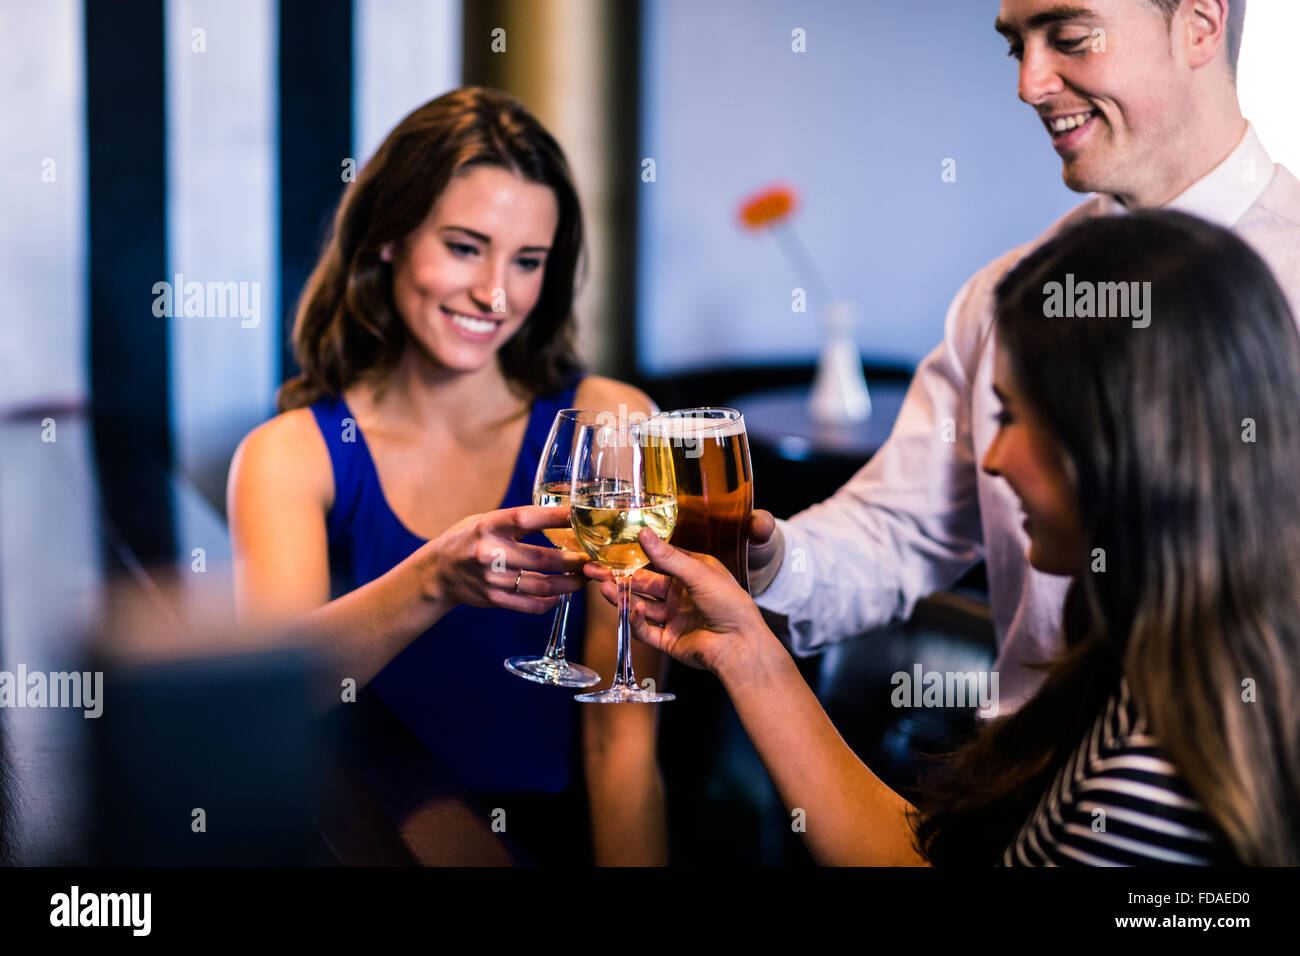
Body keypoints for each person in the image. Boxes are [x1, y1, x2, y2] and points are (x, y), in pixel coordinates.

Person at [591, 211, 1300, 865]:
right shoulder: (1160, 678)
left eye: (1013, 418)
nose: (990, 460)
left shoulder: (1150, 778)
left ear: (1124, 441)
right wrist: (746, 644)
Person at [744, 0, 1300, 714]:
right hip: (1016, 805)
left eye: (1069, 39)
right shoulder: (1007, 297)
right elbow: (901, 526)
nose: (1030, 84)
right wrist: (765, 560)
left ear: (1199, 23)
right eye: (1017, 48)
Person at [227, 87, 667, 866]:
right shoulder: (290, 453)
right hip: (363, 841)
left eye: (527, 261)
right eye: (465, 246)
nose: (495, 293)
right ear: (389, 238)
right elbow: (271, 702)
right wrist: (433, 578)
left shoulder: (610, 424)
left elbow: (621, 746)